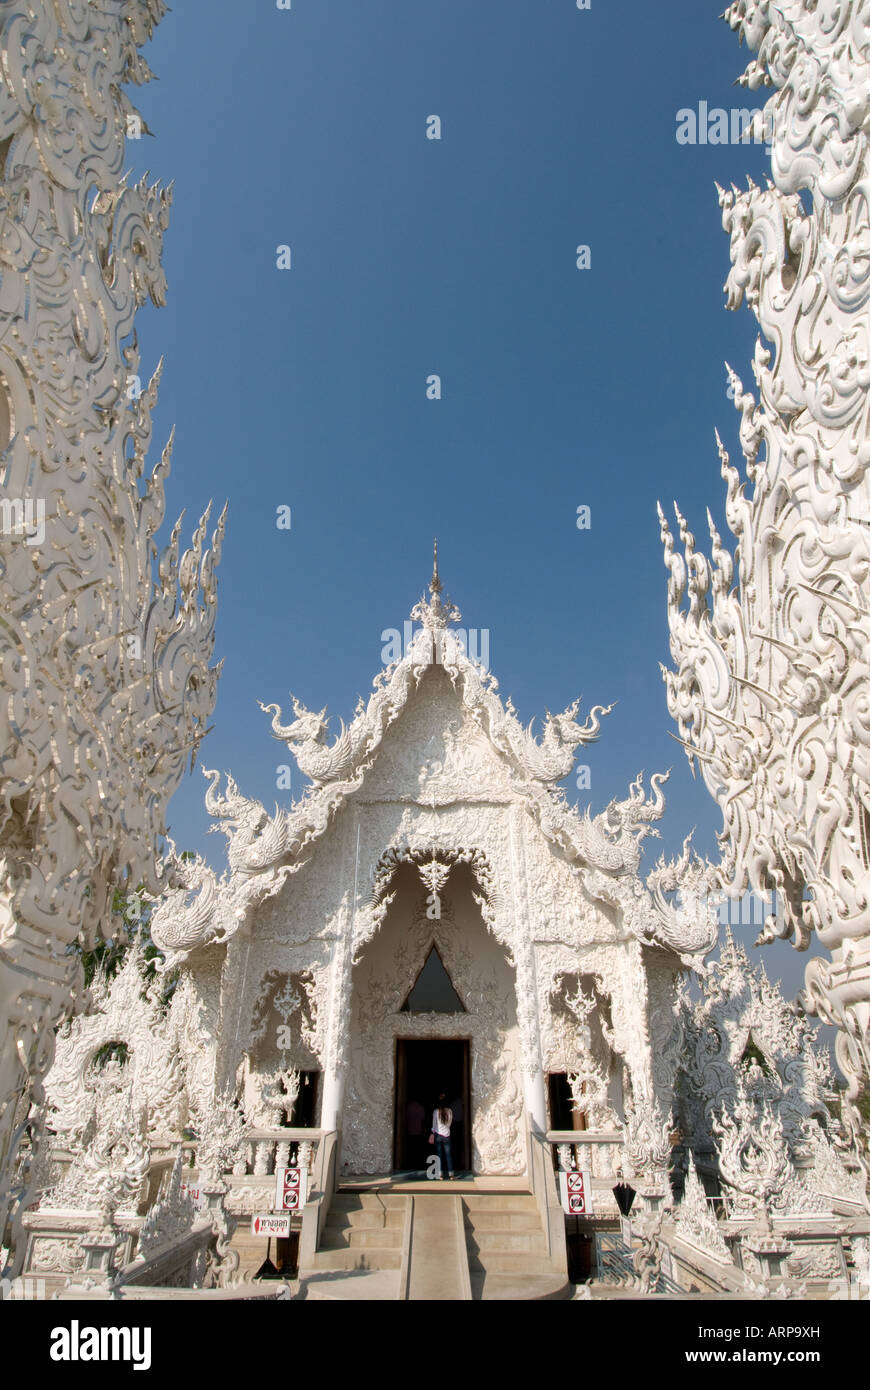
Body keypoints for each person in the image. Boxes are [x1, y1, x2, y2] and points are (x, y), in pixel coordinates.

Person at [429, 1092, 454, 1180]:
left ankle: (440, 1174)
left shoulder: (436, 1111)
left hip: (438, 1135)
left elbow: (434, 1124)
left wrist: (433, 1132)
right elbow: (450, 1123)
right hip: (447, 1135)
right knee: (448, 1155)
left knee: (439, 1155)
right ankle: (451, 1174)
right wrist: (446, 1129)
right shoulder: (450, 1111)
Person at [406, 1097, 425, 1171]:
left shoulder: (409, 1107)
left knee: (411, 1148)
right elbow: (423, 1120)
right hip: (418, 1130)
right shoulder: (420, 1107)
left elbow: (407, 1118)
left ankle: (411, 1163)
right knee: (418, 1148)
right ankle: (418, 1163)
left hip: (411, 1130)